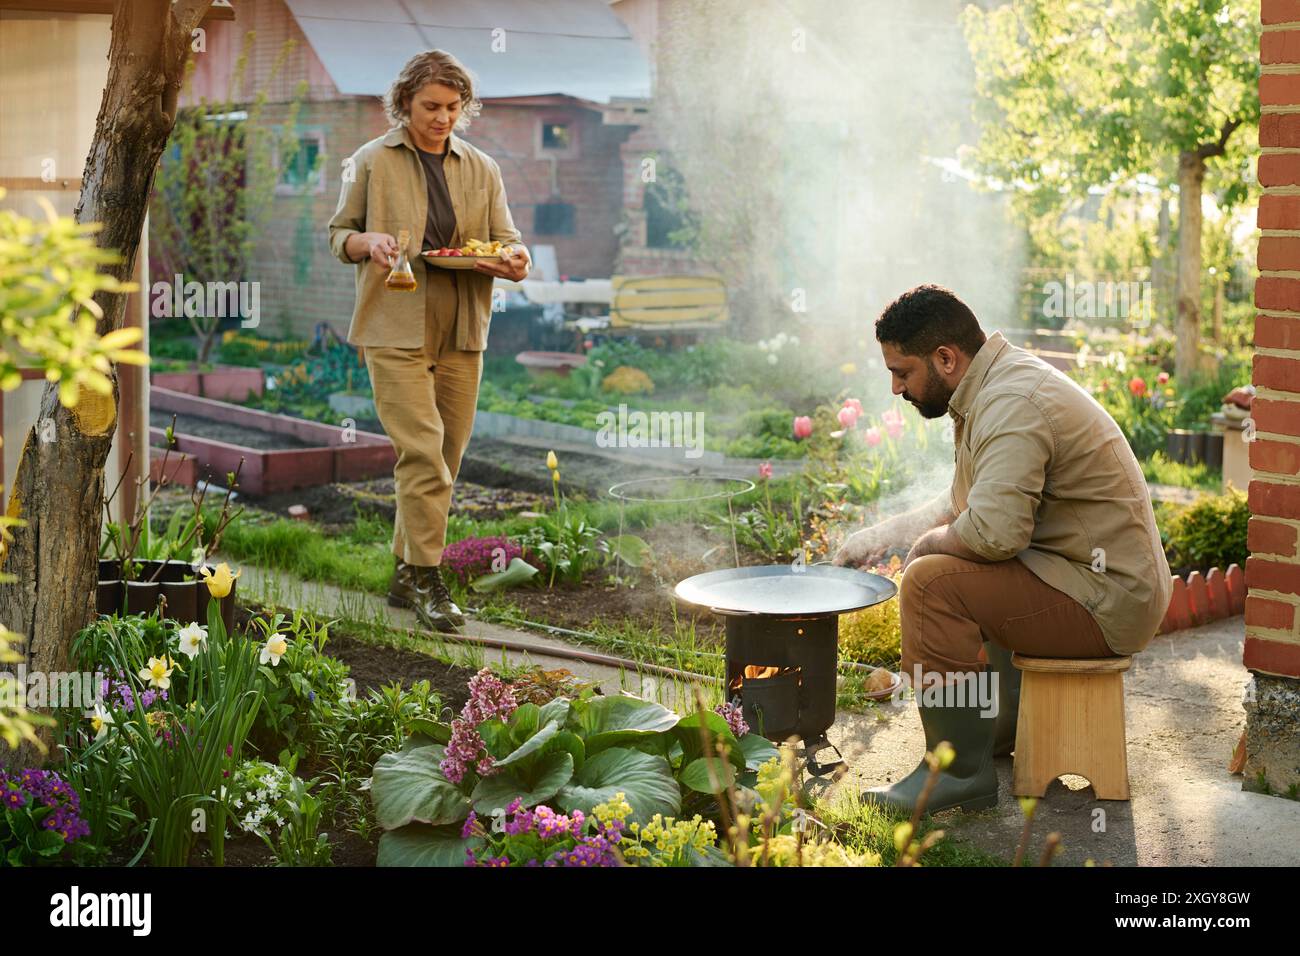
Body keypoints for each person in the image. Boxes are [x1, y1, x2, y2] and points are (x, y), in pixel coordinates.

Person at [833, 285, 1172, 813]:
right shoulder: (994, 387)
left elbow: (993, 534)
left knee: (933, 582)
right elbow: (963, 507)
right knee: (950, 562)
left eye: (902, 372)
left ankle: (955, 772)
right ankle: (996, 729)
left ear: (946, 358)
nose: (896, 388)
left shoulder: (1010, 402)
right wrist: (879, 538)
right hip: (1091, 583)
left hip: (1108, 600)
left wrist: (922, 550)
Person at [328, 50, 531, 632]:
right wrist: (367, 244)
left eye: (452, 107)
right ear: (405, 103)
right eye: (430, 107)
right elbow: (338, 235)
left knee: (446, 456)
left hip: (464, 321)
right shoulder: (370, 160)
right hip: (394, 320)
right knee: (422, 452)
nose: (442, 117)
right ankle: (426, 576)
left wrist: (514, 261)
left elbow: (507, 241)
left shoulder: (483, 167)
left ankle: (402, 570)